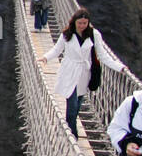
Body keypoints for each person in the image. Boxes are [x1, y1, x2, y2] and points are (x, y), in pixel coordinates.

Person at [43, 8, 125, 137]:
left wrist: (119, 67)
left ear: (88, 23)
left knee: (78, 104)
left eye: (84, 23)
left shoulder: (94, 34)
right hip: (69, 71)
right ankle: (72, 135)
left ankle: (69, 127)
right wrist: (45, 58)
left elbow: (103, 56)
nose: (82, 26)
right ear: (74, 21)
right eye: (79, 23)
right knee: (72, 104)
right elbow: (57, 50)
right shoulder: (67, 34)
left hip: (84, 73)